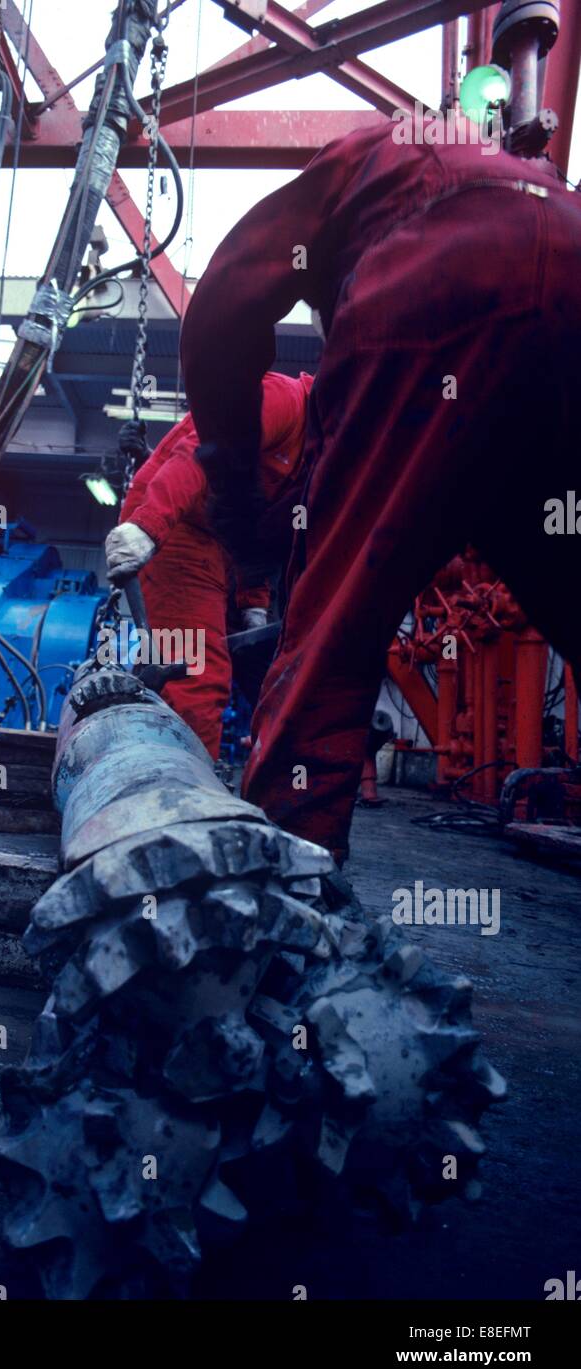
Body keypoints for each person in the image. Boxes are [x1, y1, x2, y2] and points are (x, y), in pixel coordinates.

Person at [180, 119, 581, 862]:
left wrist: (232, 471)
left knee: (335, 626)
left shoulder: (360, 161)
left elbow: (226, 300)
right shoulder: (525, 173)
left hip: (441, 282)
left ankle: (283, 895)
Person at [104, 370, 312, 759]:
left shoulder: (320, 453)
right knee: (193, 671)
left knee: (249, 673)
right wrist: (149, 527)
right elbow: (205, 453)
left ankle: (156, 758)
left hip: (221, 541)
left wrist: (253, 602)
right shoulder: (282, 401)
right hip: (175, 523)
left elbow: (260, 525)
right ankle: (177, 797)